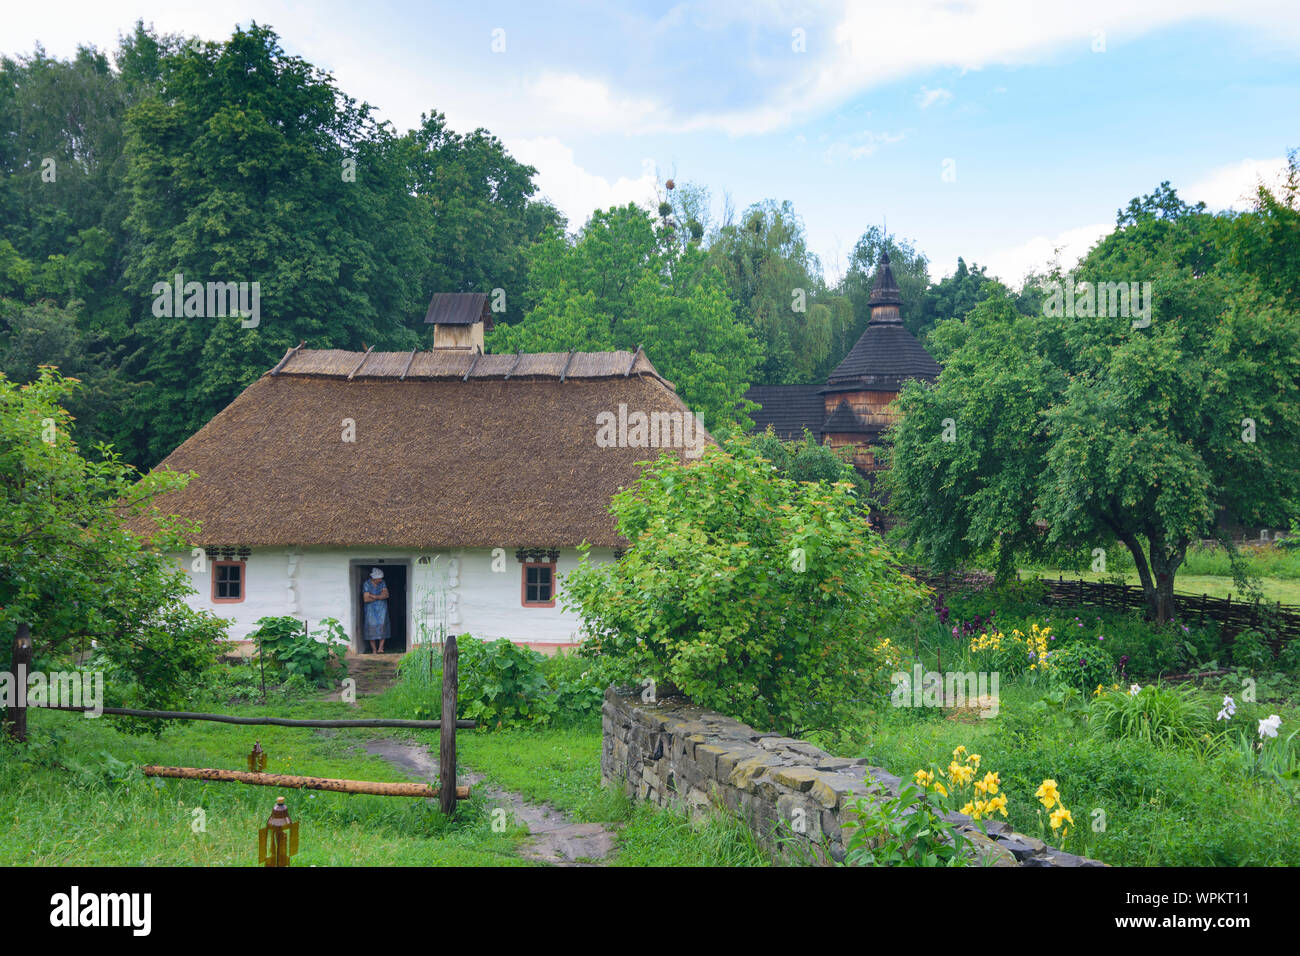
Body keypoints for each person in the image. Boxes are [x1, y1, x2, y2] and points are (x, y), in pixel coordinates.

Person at [362, 568, 390, 653]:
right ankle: (374, 650)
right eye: (379, 578)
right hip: (370, 609)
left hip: (382, 609)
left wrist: (373, 596)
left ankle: (381, 648)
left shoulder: (382, 583)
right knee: (371, 627)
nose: (381, 580)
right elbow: (366, 599)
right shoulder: (366, 584)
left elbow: (386, 595)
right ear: (374, 578)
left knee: (382, 626)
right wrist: (379, 597)